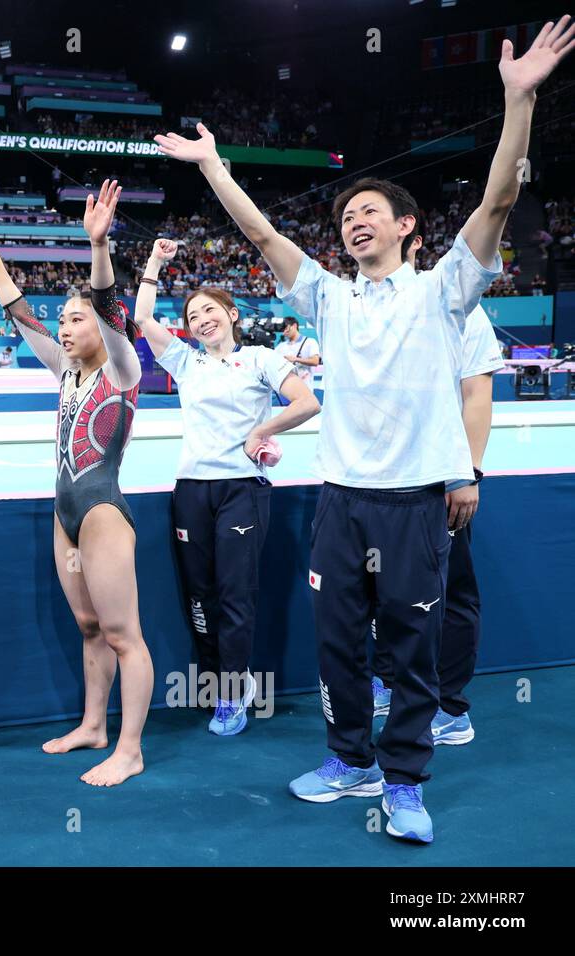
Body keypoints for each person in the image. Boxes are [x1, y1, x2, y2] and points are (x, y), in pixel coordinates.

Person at [153, 19, 569, 842]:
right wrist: (213, 168)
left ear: (408, 226)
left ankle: (407, 782)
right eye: (347, 216)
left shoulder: (447, 288)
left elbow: (497, 201)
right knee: (338, 646)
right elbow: (263, 234)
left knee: (411, 650)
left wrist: (517, 102)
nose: (354, 221)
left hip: (414, 504)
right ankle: (352, 761)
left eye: (371, 211)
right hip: (342, 501)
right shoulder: (327, 300)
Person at [0, 180, 154, 788]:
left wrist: (98, 247)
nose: (64, 329)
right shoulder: (64, 372)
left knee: (124, 634)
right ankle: (94, 725)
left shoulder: (123, 368)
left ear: (100, 326)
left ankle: (130, 748)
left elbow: (110, 303)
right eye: (63, 321)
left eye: (75, 319)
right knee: (89, 627)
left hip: (100, 511)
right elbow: (20, 317)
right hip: (63, 514)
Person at [140, 238, 319, 735]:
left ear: (232, 314)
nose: (200, 320)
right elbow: (143, 318)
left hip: (242, 489)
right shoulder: (185, 361)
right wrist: (155, 263)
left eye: (209, 310)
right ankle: (211, 686)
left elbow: (306, 403)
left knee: (236, 594)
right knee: (200, 596)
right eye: (193, 315)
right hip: (191, 491)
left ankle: (234, 695)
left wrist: (262, 432)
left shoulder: (262, 359)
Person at [370, 230, 506, 745]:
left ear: (410, 237)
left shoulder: (459, 306)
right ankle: (389, 682)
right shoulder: (366, 307)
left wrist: (465, 472)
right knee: (385, 591)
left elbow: (477, 393)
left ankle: (450, 706)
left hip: (442, 475)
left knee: (449, 594)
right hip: (383, 480)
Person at [274, 317, 319, 382]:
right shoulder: (280, 346)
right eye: (282, 330)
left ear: (294, 326)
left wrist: (296, 359)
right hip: (286, 386)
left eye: (286, 328)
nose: (284, 332)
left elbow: (315, 361)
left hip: (305, 385)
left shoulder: (310, 342)